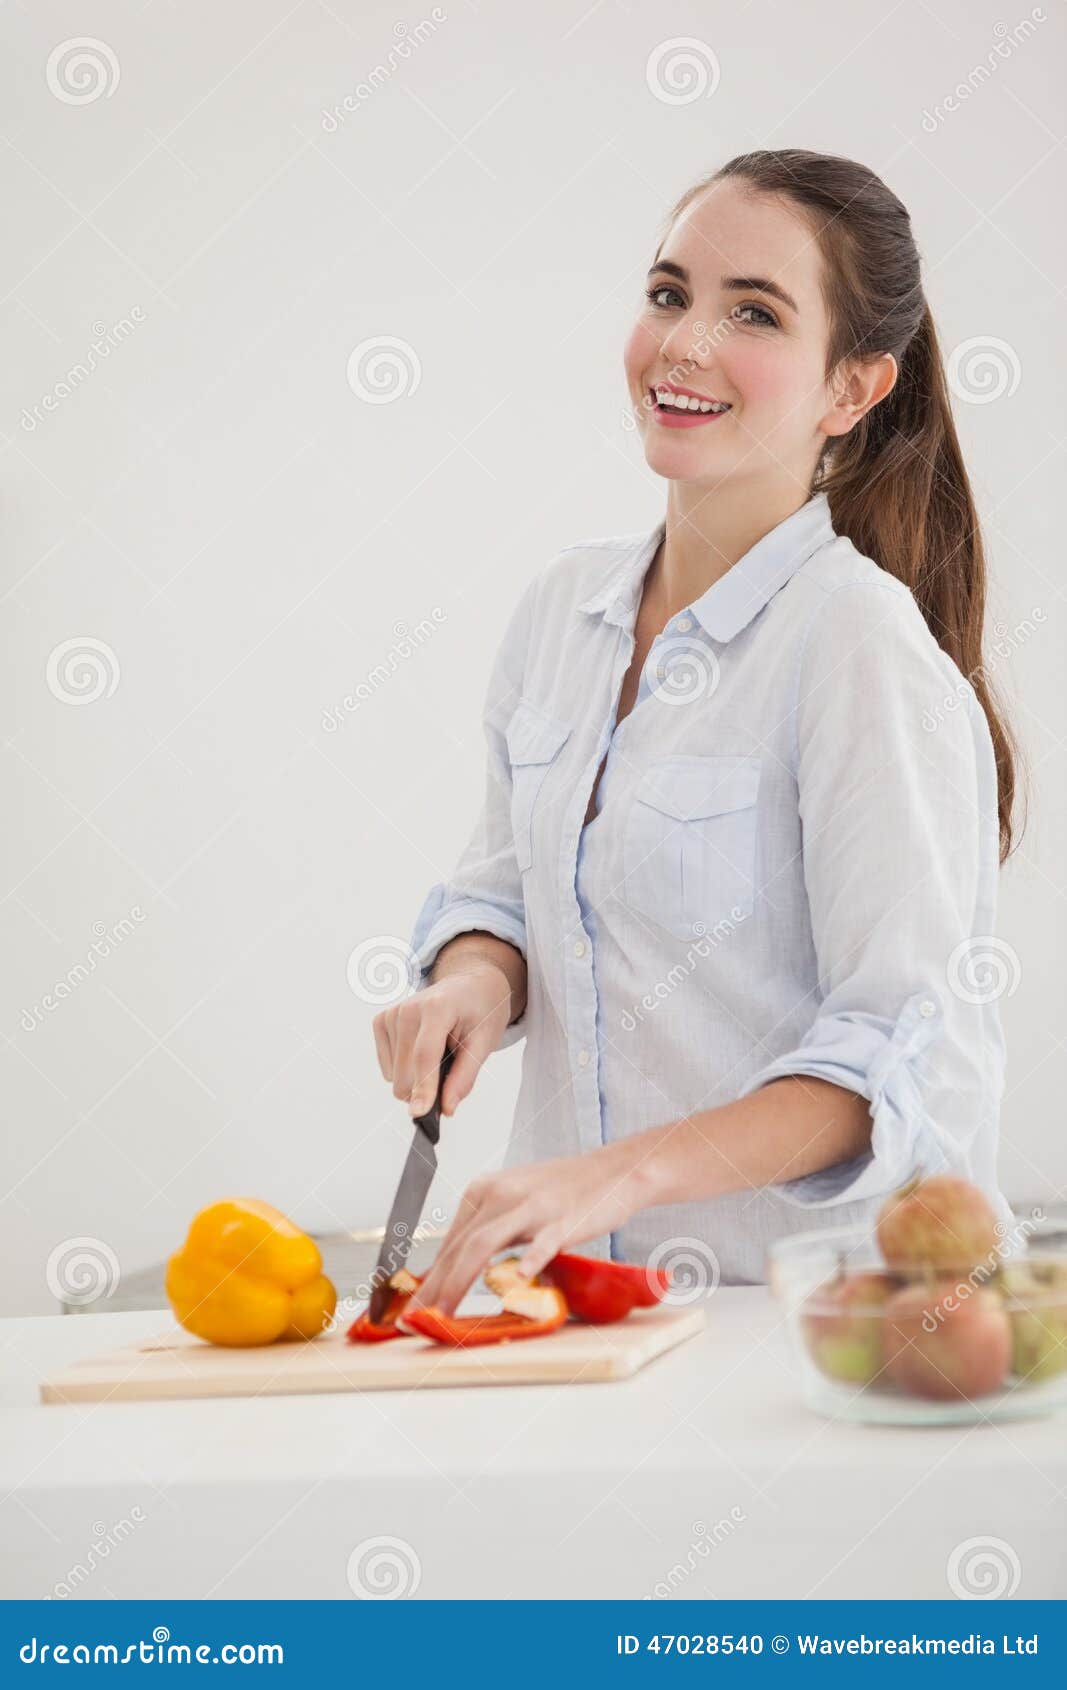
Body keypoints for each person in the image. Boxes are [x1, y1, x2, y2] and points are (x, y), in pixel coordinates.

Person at [372, 148, 1022, 1317]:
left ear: (851, 389)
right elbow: (502, 888)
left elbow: (893, 1051)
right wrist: (472, 979)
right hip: (579, 1309)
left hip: (803, 1327)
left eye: (753, 313)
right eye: (668, 293)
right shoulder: (560, 614)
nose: (683, 343)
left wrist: (614, 1174)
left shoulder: (851, 643)